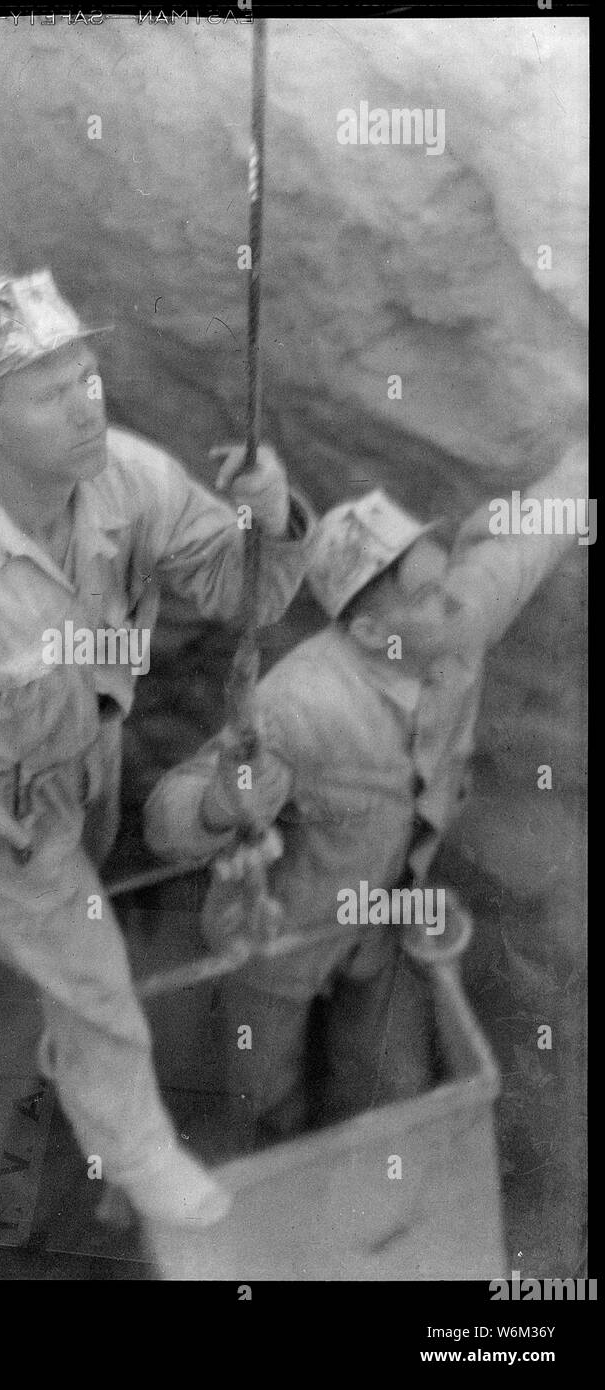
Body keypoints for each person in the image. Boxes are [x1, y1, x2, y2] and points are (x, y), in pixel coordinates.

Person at [0, 269, 313, 1226]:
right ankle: (138, 1155)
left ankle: (70, 1041)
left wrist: (270, 517)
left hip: (95, 750)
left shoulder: (126, 477)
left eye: (87, 376)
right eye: (51, 391)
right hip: (5, 808)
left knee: (82, 929)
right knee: (91, 976)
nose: (88, 407)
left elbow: (245, 598)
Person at [144, 439, 588, 1142]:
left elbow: (530, 536)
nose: (453, 605)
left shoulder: (454, 626)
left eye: (445, 585)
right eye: (427, 599)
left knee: (389, 1089)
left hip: (382, 925)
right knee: (260, 1096)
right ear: (370, 632)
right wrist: (218, 805)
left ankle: (359, 1176)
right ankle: (277, 1154)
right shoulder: (301, 705)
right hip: (278, 941)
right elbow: (166, 817)